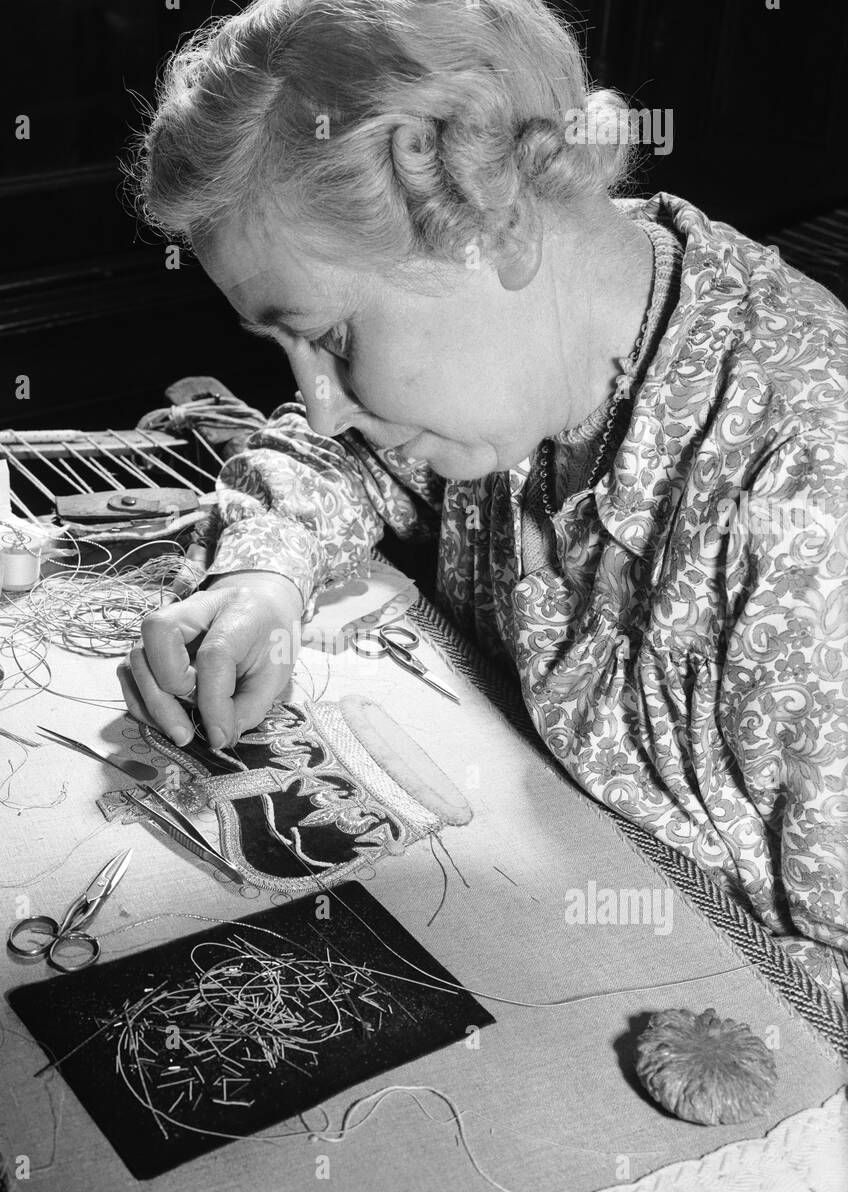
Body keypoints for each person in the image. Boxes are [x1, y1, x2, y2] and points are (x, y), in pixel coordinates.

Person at [119, 0, 848, 995]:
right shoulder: (547, 325)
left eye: (328, 338)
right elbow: (335, 461)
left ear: (497, 226)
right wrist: (261, 582)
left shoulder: (808, 500)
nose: (320, 406)